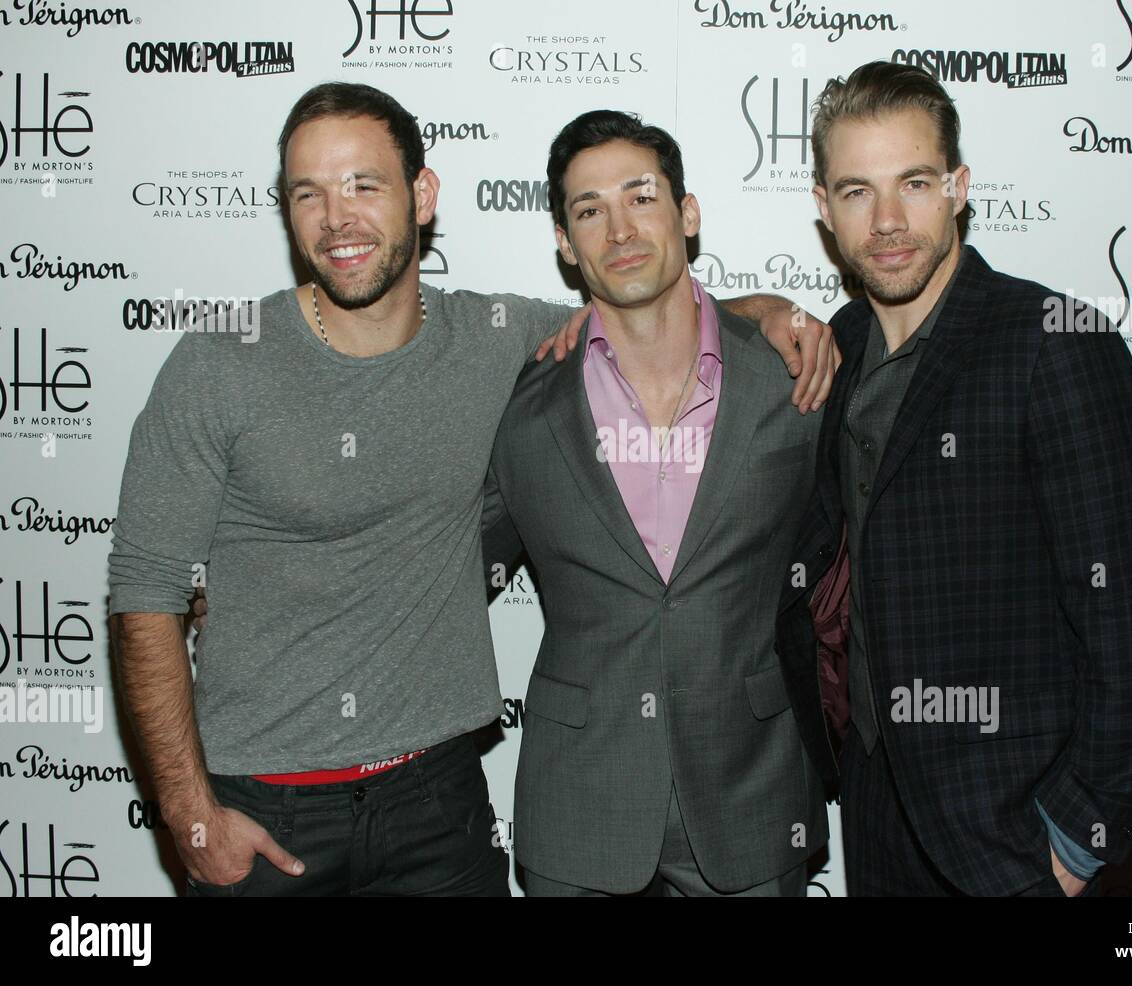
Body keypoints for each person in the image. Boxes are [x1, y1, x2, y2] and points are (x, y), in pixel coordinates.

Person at [108, 83, 833, 897]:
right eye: (308, 193)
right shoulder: (220, 364)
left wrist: (771, 312)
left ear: (422, 196)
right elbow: (144, 597)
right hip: (266, 810)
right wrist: (188, 813)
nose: (336, 218)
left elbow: (643, 309)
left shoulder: (498, 341)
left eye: (363, 185)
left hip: (437, 801)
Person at [780, 61, 1132, 897]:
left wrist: (1076, 840)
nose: (888, 221)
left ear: (958, 187)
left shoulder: (1053, 343)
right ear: (823, 208)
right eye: (857, 192)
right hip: (877, 808)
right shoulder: (840, 344)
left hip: (1010, 830)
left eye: (914, 183)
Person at [480, 110, 837, 896]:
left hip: (754, 793)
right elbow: (449, 570)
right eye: (588, 210)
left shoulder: (794, 378)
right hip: (580, 808)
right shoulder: (524, 409)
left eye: (641, 197)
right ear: (567, 247)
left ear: (688, 213)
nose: (619, 229)